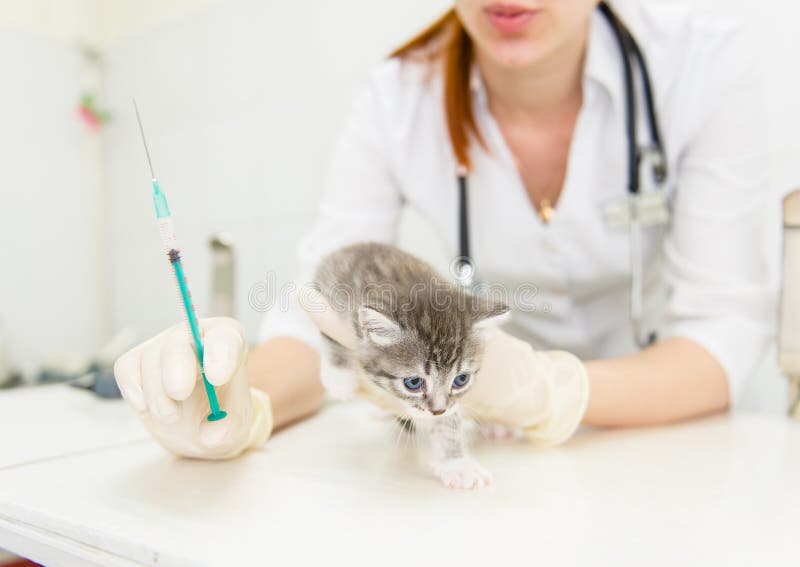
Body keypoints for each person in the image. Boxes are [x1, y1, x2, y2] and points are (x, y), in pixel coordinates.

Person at [115, 0, 774, 459]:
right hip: (480, 438)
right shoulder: (397, 98)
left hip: (669, 439)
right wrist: (244, 403)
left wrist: (549, 390)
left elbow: (721, 332)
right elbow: (318, 317)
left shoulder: (700, 65)